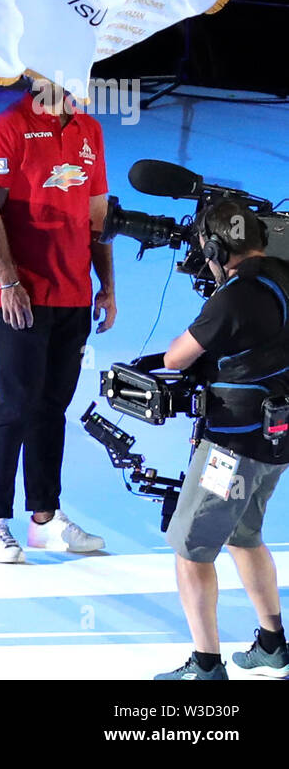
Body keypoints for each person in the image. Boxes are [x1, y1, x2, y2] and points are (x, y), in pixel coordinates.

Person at [0, 78, 116, 562]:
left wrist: (107, 284)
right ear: (41, 77)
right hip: (19, 296)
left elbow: (98, 216)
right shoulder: (6, 128)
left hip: (72, 294)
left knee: (52, 407)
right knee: (14, 404)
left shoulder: (90, 131)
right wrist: (9, 282)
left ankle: (45, 519)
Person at [154, 200, 289, 680]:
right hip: (276, 443)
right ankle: (273, 645)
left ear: (213, 248)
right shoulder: (283, 274)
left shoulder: (233, 299)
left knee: (191, 550)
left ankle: (206, 665)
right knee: (245, 535)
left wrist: (219, 299)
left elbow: (175, 358)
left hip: (229, 452)